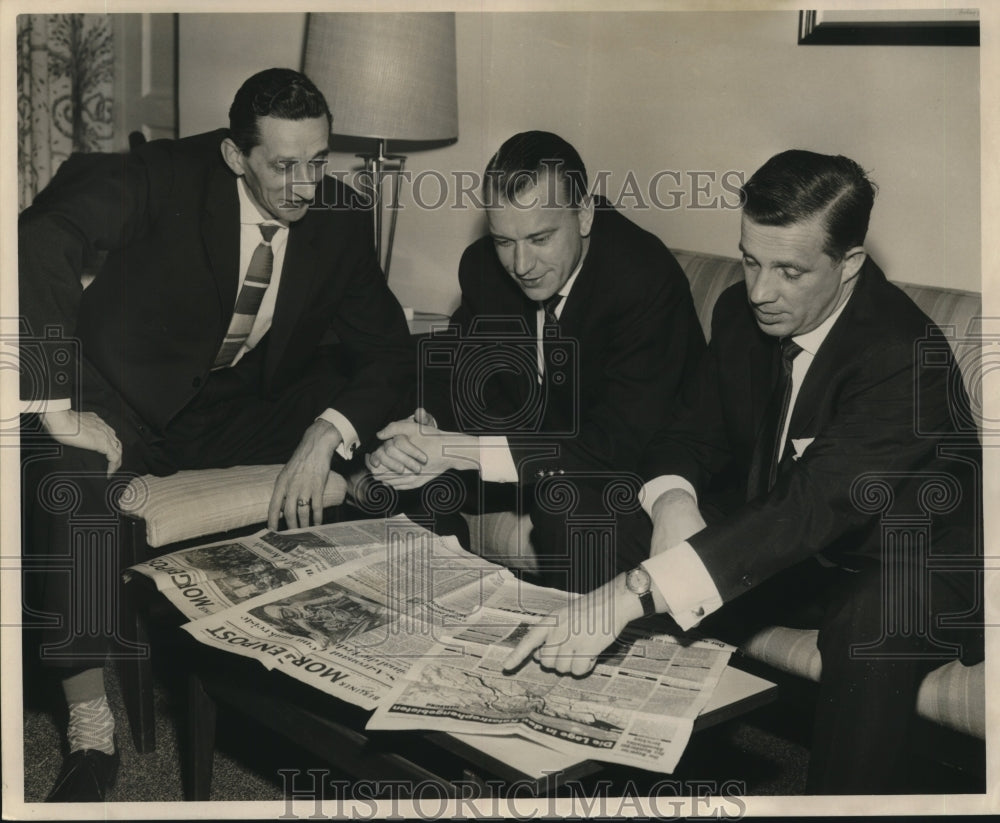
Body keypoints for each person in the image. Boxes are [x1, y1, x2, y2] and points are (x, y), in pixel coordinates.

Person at [502, 150, 983, 794]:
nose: (760, 291)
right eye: (751, 260)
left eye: (789, 270)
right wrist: (673, 501)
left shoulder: (903, 357)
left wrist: (631, 593)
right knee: (587, 508)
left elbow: (809, 508)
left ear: (850, 266)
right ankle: (613, 762)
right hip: (797, 552)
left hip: (908, 564)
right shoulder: (739, 314)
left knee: (872, 623)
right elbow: (687, 436)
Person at [19, 68, 412, 801]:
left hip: (225, 405)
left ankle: (369, 650)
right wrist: (54, 403)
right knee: (66, 477)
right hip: (116, 399)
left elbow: (389, 352)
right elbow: (37, 238)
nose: (306, 185)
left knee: (365, 415)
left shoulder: (339, 214)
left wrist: (326, 434)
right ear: (237, 156)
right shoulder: (162, 175)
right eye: (284, 165)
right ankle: (89, 729)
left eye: (318, 161)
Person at [366, 131, 704, 594]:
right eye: (504, 240)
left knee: (562, 506)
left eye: (540, 238)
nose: (521, 264)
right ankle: (445, 611)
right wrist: (424, 423)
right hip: (532, 454)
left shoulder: (643, 281)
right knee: (392, 478)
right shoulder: (485, 267)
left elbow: (614, 444)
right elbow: (457, 368)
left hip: (623, 473)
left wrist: (457, 450)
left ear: (584, 214)